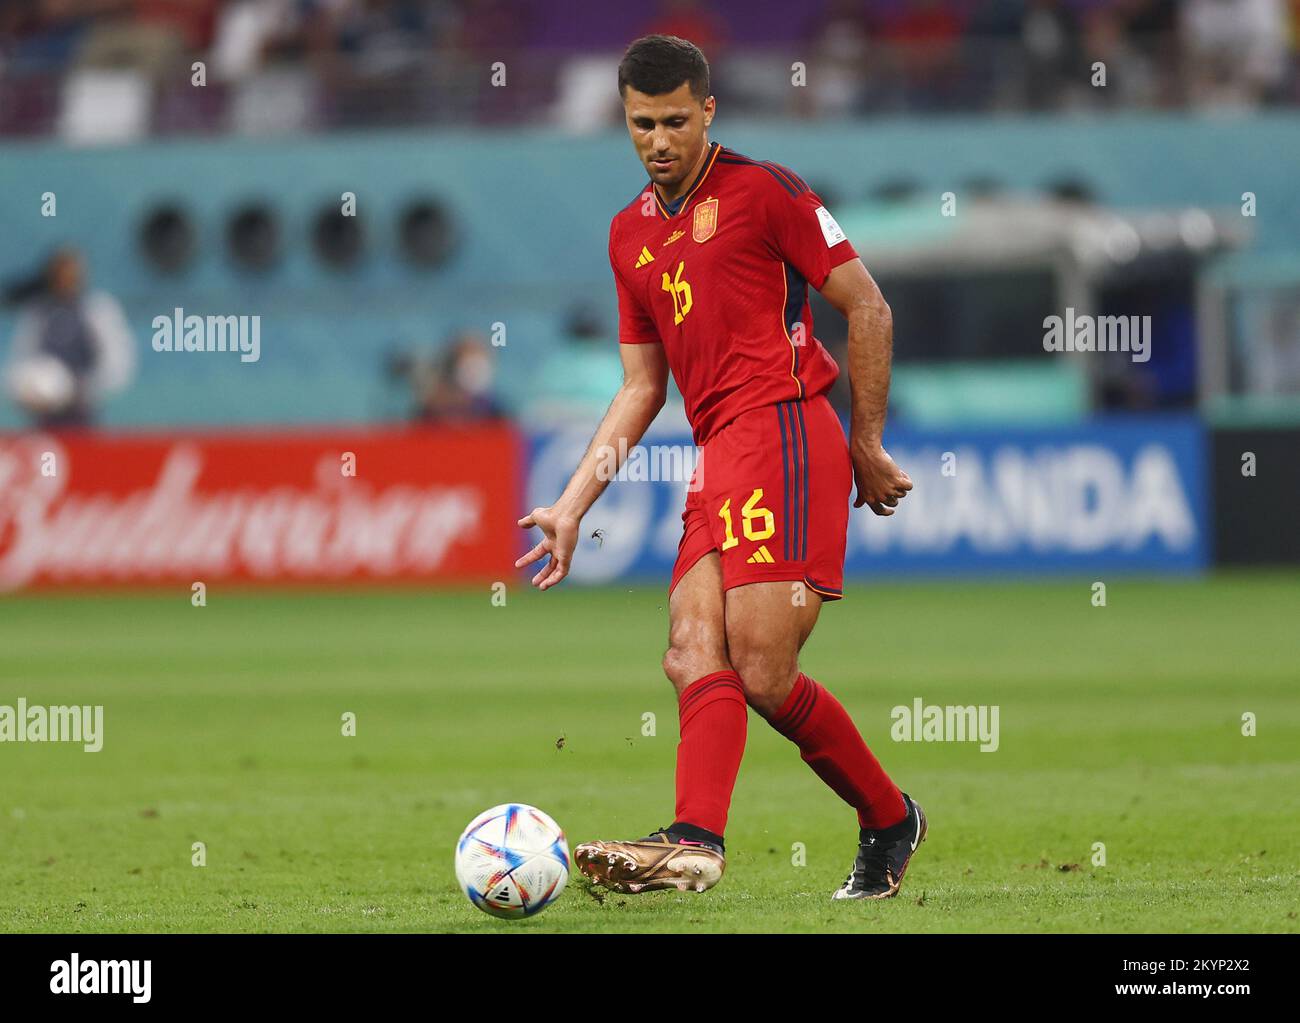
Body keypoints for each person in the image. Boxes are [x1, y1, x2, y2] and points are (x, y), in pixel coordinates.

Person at [516, 36, 922, 901]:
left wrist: (867, 440)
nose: (656, 140)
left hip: (782, 428)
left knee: (765, 669)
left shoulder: (764, 190)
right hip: (715, 454)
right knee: (690, 649)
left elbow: (867, 305)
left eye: (672, 121)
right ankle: (696, 839)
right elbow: (640, 388)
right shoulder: (629, 235)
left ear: (707, 111)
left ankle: (889, 817)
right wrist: (570, 504)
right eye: (639, 125)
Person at [4, 248, 135, 429]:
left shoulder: (98, 310)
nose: (65, 280)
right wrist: (28, 392)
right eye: (59, 274)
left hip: (84, 418)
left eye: (70, 274)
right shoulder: (37, 314)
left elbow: (117, 365)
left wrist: (78, 389)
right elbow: (18, 363)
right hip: (44, 420)